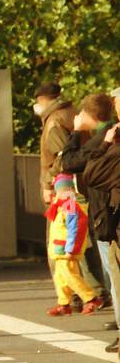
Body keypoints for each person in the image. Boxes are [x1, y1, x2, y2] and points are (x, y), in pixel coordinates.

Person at [61, 93, 120, 345]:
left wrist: (75, 132)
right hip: (108, 213)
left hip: (108, 214)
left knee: (114, 274)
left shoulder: (105, 139)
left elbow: (72, 163)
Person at [45, 174, 104, 316]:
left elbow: (75, 228)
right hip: (59, 246)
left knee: (70, 275)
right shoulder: (61, 203)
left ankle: (91, 298)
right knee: (60, 276)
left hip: (67, 248)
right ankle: (64, 303)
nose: (58, 192)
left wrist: (71, 248)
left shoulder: (69, 204)